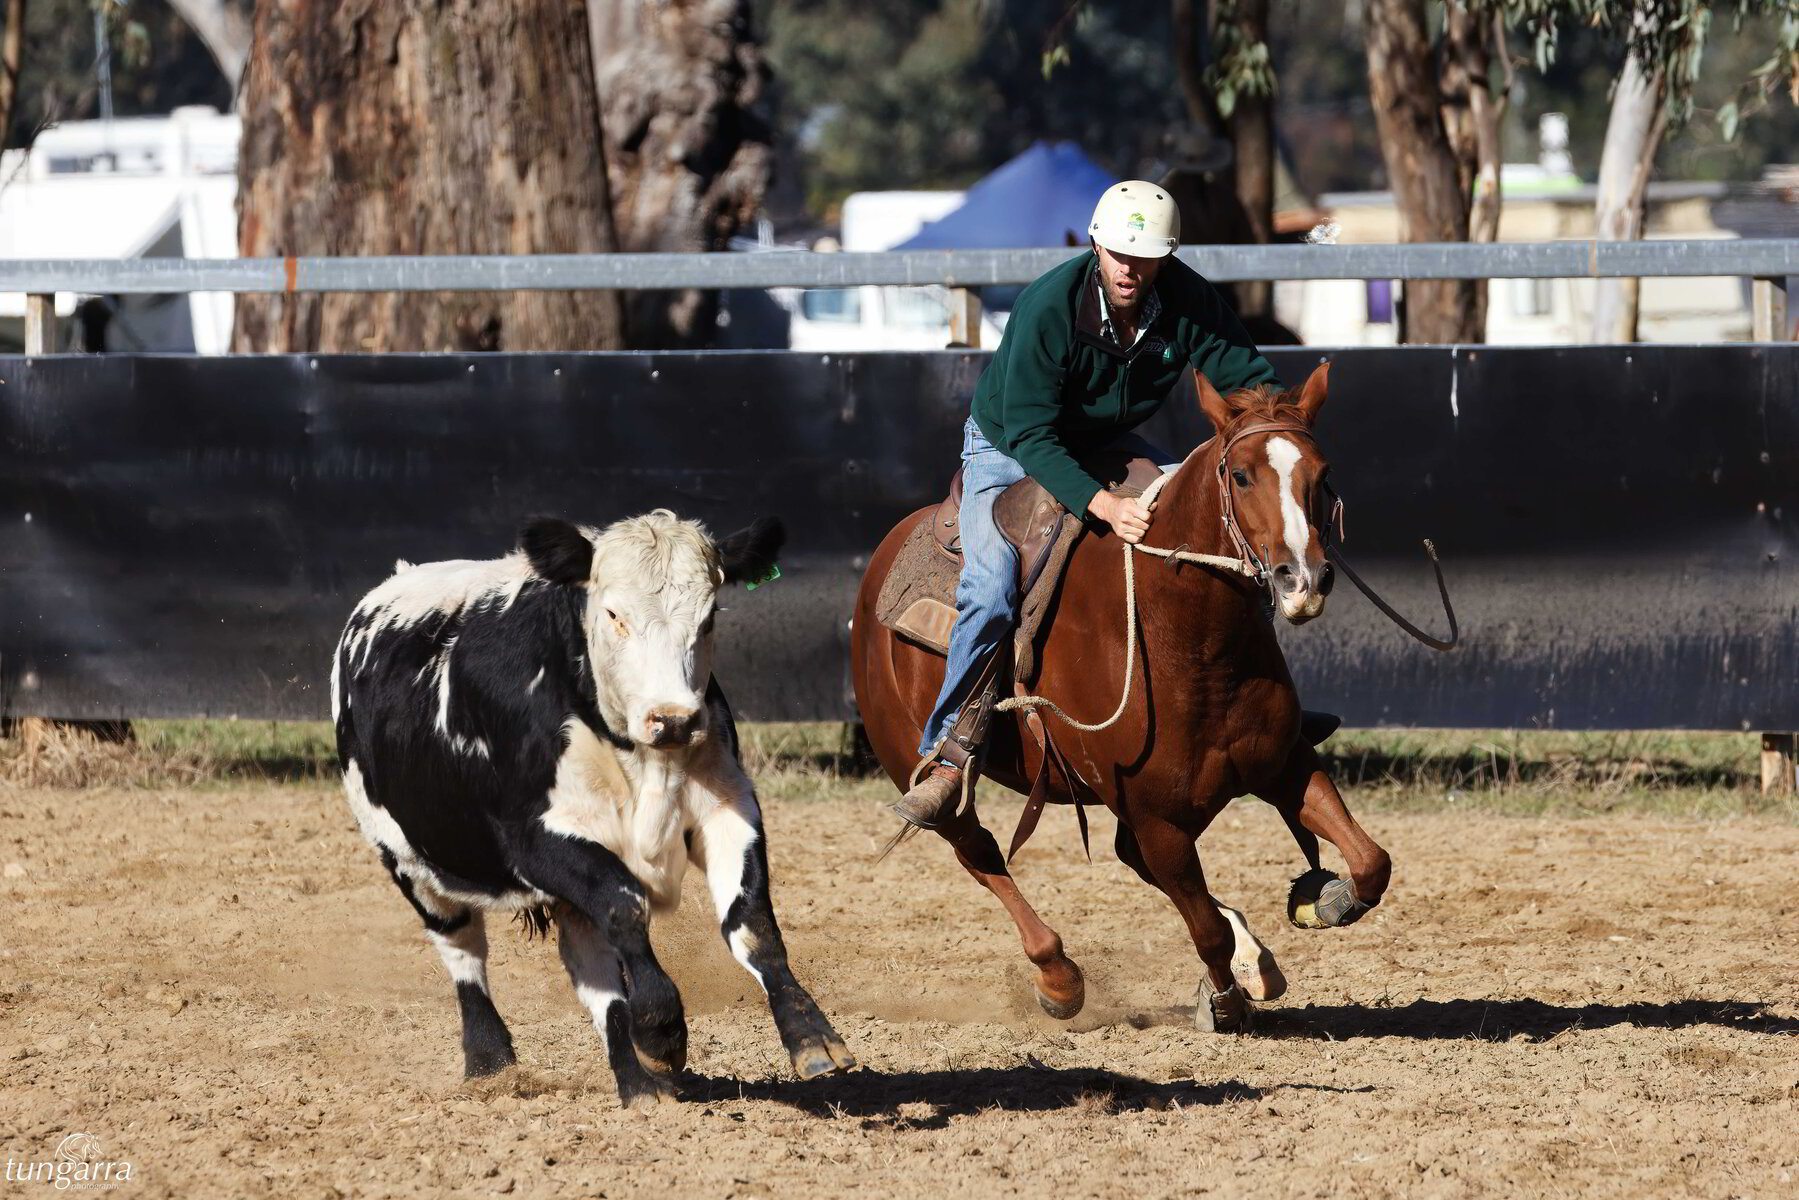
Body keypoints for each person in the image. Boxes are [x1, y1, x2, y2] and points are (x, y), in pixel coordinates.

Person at [894, 179, 1281, 829]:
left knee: (1225, 530)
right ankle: (947, 751)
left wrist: (1278, 430)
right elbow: (1029, 432)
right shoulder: (1049, 305)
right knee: (990, 585)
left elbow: (1247, 376)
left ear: (1167, 256)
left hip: (1103, 442)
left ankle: (1263, 707)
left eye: (1147, 254)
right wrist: (1099, 504)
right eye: (1120, 253)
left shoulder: (1185, 297)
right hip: (1009, 445)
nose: (1132, 268)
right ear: (1096, 245)